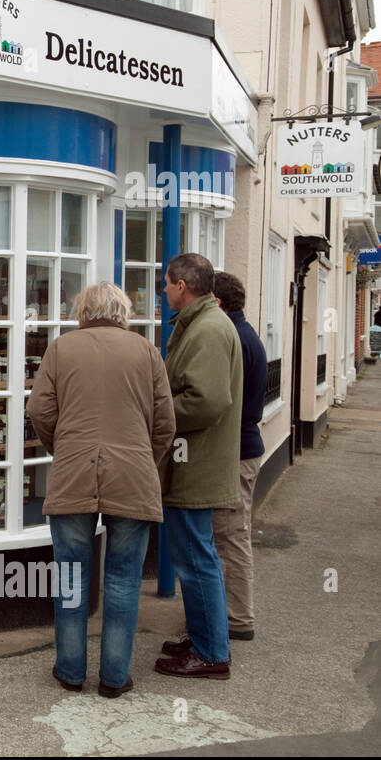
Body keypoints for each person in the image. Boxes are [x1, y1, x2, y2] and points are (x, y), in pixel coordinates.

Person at [27, 282, 175, 698]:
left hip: (74, 472)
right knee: (125, 579)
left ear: (83, 311)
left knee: (71, 576)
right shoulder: (147, 351)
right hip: (133, 476)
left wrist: (65, 448)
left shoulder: (61, 349)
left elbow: (39, 410)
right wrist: (144, 457)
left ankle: (71, 672)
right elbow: (166, 422)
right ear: (122, 311)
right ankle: (114, 677)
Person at [155, 253, 242, 680]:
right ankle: (205, 637)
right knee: (196, 555)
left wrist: (158, 414)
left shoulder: (207, 329)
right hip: (196, 461)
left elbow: (207, 401)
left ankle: (211, 654)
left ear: (182, 287)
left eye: (166, 284)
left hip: (196, 465)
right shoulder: (204, 324)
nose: (163, 290)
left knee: (195, 559)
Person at [210, 272, 268, 641]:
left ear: (217, 304)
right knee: (232, 535)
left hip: (237, 454)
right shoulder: (244, 334)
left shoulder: (234, 338)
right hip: (243, 451)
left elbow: (220, 402)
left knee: (231, 536)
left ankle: (237, 619)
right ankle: (232, 615)